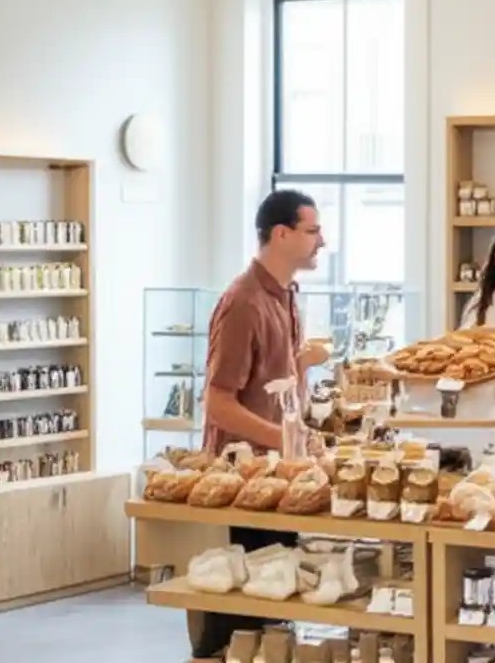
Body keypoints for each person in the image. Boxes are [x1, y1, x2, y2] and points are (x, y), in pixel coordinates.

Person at [191, 189, 329, 658]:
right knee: (240, 610)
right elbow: (218, 403)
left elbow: (273, 378)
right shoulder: (244, 302)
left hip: (278, 476)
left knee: (274, 603)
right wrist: (285, 441)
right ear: (281, 234)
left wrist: (302, 364)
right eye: (312, 231)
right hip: (243, 478)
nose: (321, 241)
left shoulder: (287, 294)